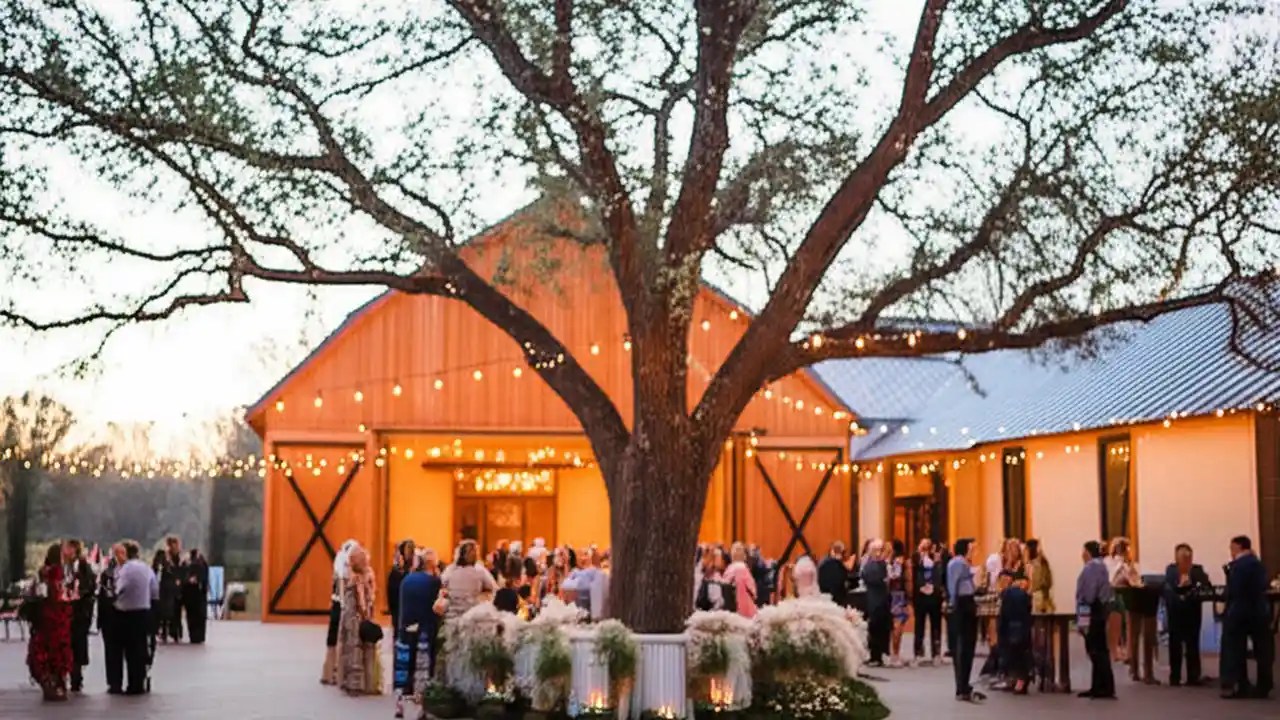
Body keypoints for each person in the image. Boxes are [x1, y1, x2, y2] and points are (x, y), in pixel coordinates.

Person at [1220, 535, 1273, 699]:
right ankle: (1264, 685)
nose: (1230, 551)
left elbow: (1234, 589)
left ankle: (1239, 684)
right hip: (1259, 611)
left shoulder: (1237, 566)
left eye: (1231, 548)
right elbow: (1264, 585)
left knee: (1235, 648)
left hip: (1239, 611)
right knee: (1262, 649)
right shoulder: (1258, 564)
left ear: (1238, 547)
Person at [395, 551, 442, 719]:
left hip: (405, 627)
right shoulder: (433, 582)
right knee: (422, 668)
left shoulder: (407, 580)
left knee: (403, 666)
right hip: (425, 628)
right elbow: (437, 607)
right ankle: (421, 708)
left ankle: (399, 703)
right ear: (432, 565)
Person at [27, 543, 74, 701]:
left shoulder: (43, 572)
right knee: (58, 650)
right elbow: (60, 594)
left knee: (45, 650)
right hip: (56, 616)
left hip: (45, 616)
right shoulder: (57, 572)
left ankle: (49, 683)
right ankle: (58, 684)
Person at [115, 540, 159, 696]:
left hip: (126, 612)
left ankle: (127, 683)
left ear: (126, 553)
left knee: (127, 650)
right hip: (144, 611)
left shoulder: (124, 570)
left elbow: (118, 588)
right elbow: (155, 590)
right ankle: (138, 682)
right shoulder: (146, 568)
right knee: (140, 649)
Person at [1163, 543, 1210, 686]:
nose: (1185, 561)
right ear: (1176, 558)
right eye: (1182, 558)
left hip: (1192, 612)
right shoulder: (1171, 570)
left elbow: (1205, 586)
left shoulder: (1197, 570)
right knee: (1175, 645)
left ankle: (1193, 676)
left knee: (1192, 644)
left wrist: (1192, 588)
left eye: (1188, 558)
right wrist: (1179, 590)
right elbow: (1168, 587)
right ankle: (1175, 676)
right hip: (1176, 612)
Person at [337, 543, 382, 696]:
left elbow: (357, 602)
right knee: (363, 651)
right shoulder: (361, 577)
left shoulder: (352, 577)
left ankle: (356, 684)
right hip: (361, 618)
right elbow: (366, 600)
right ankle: (364, 684)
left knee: (355, 651)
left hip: (356, 618)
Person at [1076, 540, 1116, 700]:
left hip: (1092, 610)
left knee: (1095, 649)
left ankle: (1104, 686)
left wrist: (1082, 620)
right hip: (1100, 609)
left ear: (1088, 552)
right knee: (1098, 649)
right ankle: (1098, 685)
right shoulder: (1101, 566)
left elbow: (1088, 594)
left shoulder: (1092, 567)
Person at [946, 538, 983, 703]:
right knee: (964, 645)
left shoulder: (964, 564)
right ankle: (961, 685)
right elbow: (953, 585)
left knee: (968, 645)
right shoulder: (958, 563)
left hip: (966, 603)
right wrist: (953, 604)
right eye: (970, 548)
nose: (972, 551)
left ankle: (964, 684)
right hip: (962, 604)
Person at [63, 539, 96, 693]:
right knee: (70, 642)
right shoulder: (66, 566)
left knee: (77, 642)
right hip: (69, 609)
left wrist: (78, 595)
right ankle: (71, 673)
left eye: (68, 548)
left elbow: (88, 586)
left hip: (79, 611)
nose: (65, 552)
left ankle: (76, 676)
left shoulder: (82, 566)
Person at [324, 539, 357, 685]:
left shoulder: (338, 561)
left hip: (336, 602)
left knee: (332, 639)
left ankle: (327, 672)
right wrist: (344, 603)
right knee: (340, 639)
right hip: (342, 604)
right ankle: (336, 672)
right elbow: (343, 584)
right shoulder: (345, 567)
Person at [997, 571, 1033, 694]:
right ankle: (1021, 679)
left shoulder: (1007, 594)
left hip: (1011, 628)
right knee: (1021, 654)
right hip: (1022, 628)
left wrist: (1000, 631)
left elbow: (1004, 615)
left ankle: (1017, 680)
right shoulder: (1023, 594)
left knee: (1012, 655)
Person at [97, 543, 125, 694]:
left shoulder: (128, 572)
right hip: (110, 616)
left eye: (121, 553)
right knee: (111, 651)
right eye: (117, 553)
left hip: (124, 615)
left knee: (124, 651)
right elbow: (102, 597)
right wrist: (100, 620)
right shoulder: (106, 574)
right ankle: (114, 682)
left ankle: (126, 680)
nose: (119, 557)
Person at [912, 539, 944, 666]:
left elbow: (940, 576)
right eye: (922, 545)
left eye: (927, 546)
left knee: (936, 625)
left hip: (934, 596)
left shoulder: (937, 559)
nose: (924, 547)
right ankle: (918, 652)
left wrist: (937, 562)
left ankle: (936, 653)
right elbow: (913, 574)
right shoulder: (915, 558)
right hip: (920, 596)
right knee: (919, 625)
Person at [862, 540, 891, 668]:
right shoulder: (878, 564)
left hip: (876, 600)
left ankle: (876, 656)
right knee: (875, 629)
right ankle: (876, 655)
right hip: (877, 599)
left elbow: (867, 578)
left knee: (876, 629)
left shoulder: (875, 565)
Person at [1103, 538, 1132, 663]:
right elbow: (1114, 579)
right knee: (1117, 623)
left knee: (1119, 624)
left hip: (1116, 594)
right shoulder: (1115, 563)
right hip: (1115, 594)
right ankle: (1118, 650)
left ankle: (1120, 650)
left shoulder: (1112, 561)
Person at [887, 539, 910, 667]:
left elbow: (895, 576)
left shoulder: (897, 561)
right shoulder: (895, 561)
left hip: (897, 594)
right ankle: (894, 653)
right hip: (896, 594)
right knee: (897, 625)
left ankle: (895, 653)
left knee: (898, 625)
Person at [723, 542, 759, 618]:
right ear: (744, 555)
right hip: (745, 608)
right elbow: (753, 591)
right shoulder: (744, 569)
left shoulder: (728, 569)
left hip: (731, 609)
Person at [387, 539, 415, 633]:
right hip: (406, 610)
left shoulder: (396, 572)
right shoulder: (414, 572)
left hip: (399, 611)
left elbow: (391, 595)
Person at [161, 536, 185, 642]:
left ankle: (176, 633)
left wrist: (180, 579)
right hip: (167, 587)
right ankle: (165, 632)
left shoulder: (179, 557)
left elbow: (182, 570)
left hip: (176, 587)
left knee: (176, 611)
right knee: (167, 611)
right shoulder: (165, 557)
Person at [818, 541, 850, 607]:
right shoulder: (833, 564)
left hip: (824, 597)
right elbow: (841, 580)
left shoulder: (823, 562)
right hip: (835, 599)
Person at [1026, 539, 1053, 613]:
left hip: (1038, 598)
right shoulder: (1041, 562)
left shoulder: (1036, 564)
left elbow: (1036, 583)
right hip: (1042, 597)